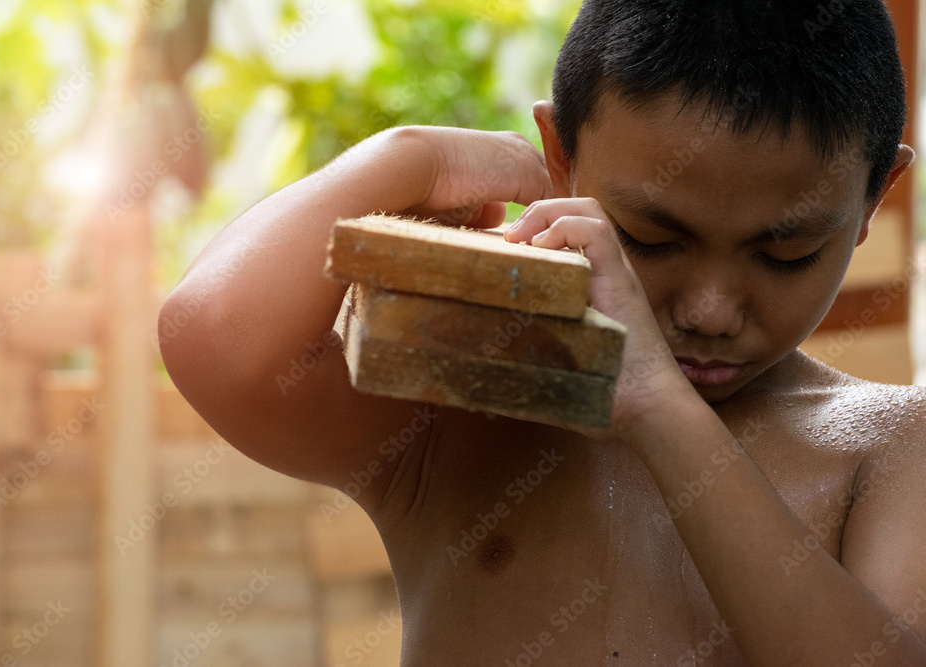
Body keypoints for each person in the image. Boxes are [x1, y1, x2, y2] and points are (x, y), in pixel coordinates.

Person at [159, 0, 926, 663]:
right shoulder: (478, 408)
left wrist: (659, 409)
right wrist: (411, 157)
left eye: (783, 253)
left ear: (872, 200)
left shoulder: (888, 449)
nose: (710, 309)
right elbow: (213, 335)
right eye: (651, 240)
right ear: (562, 156)